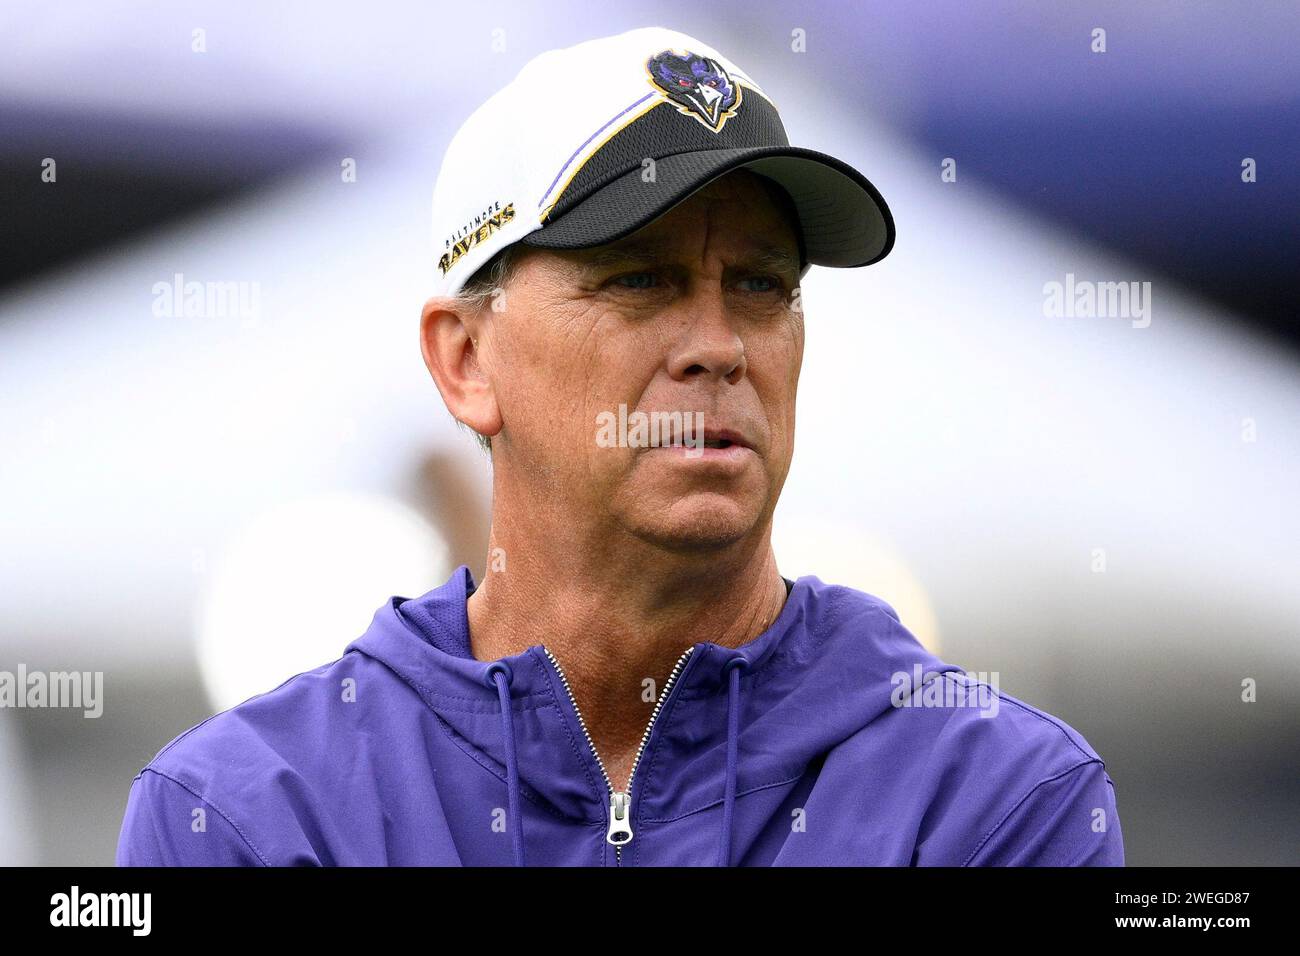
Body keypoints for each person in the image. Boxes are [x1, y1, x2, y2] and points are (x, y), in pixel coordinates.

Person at [116, 26, 1123, 866]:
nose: (719, 345)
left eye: (762, 284)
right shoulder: (248, 814)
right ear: (466, 360)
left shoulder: (991, 796)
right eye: (639, 279)